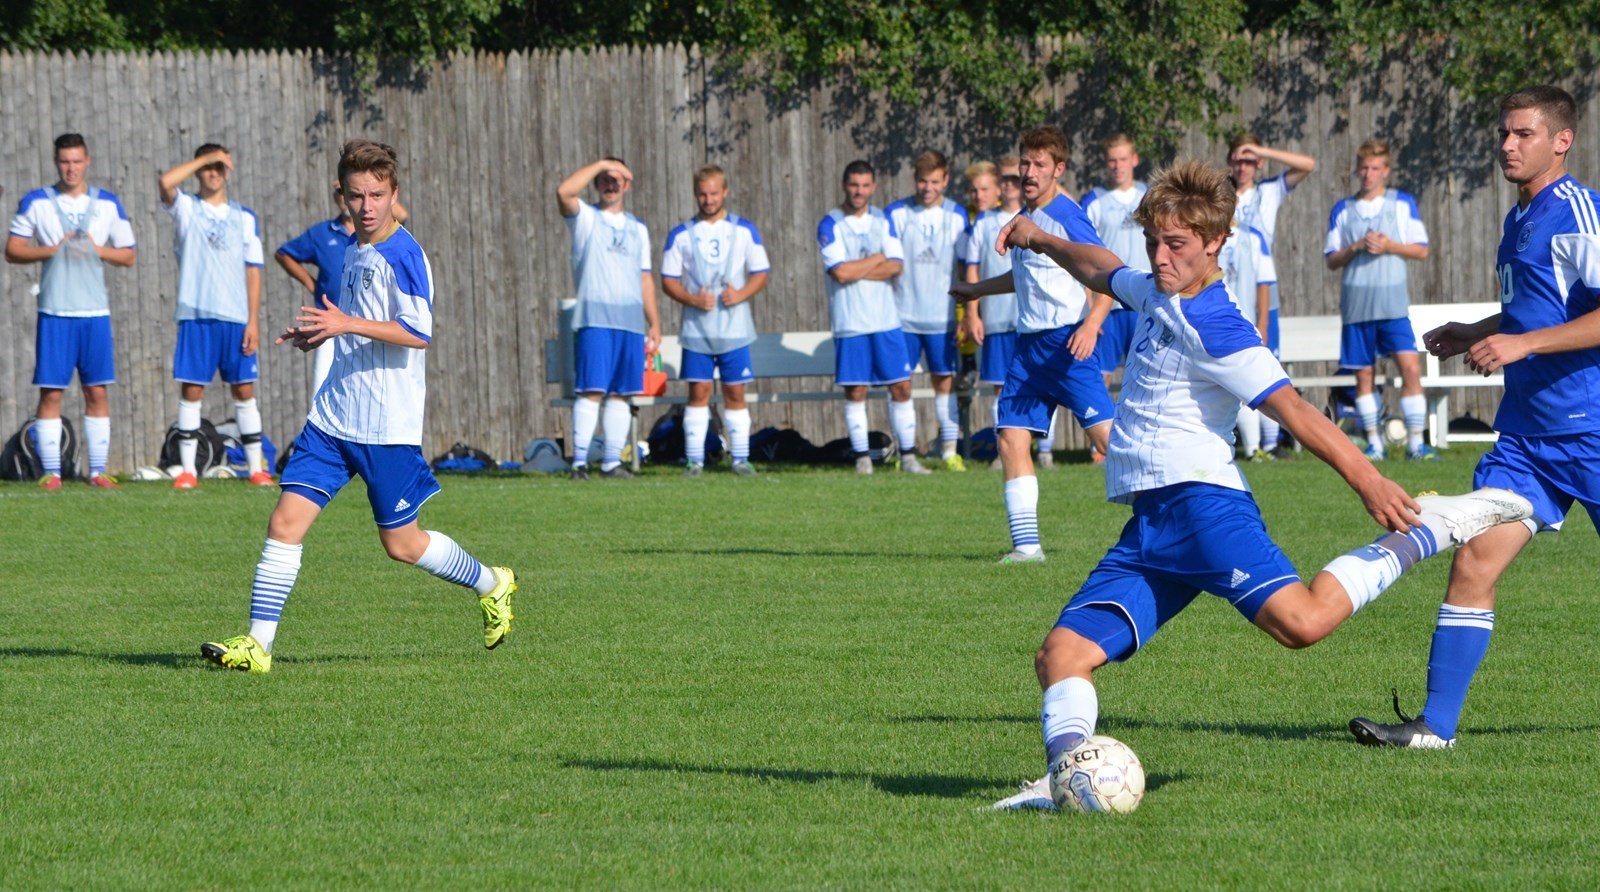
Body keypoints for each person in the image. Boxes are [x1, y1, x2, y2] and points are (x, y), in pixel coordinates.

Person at [983, 159, 1532, 809]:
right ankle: (1065, 780)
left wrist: (1370, 481)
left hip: (1204, 507)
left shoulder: (1217, 324)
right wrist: (1041, 238)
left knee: (1303, 624)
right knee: (1061, 654)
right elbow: (1102, 267)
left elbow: (1294, 410)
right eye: (1154, 242)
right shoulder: (1158, 290)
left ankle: (1430, 529)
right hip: (1153, 523)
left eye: (1176, 244)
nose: (1160, 256)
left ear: (1215, 243)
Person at [201, 140, 516, 674]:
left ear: (394, 193)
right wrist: (322, 334)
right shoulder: (353, 247)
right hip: (333, 417)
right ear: (342, 195)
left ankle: (492, 583)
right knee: (284, 522)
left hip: (385, 426)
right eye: (356, 196)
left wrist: (345, 323)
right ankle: (257, 646)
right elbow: (356, 322)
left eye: (376, 195)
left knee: (402, 544)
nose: (366, 206)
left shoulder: (404, 255)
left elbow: (418, 333)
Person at [1350, 85, 1600, 749]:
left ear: (1562, 141)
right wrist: (1480, 330)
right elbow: (1546, 308)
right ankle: (1435, 729)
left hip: (1592, 430)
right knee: (1474, 563)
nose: (1508, 145)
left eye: (1524, 134)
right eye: (1504, 133)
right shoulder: (1521, 217)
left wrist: (1521, 344)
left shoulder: (1578, 212)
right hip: (1530, 441)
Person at [951, 126, 1116, 563]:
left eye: (1039, 164)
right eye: (1024, 162)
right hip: (1028, 350)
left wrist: (1092, 324)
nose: (1028, 171)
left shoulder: (1067, 216)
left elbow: (1106, 273)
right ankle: (1026, 548)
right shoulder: (1026, 216)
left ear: (1058, 169)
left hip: (1067, 345)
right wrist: (978, 290)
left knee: (1109, 443)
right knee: (1010, 439)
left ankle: (1174, 510)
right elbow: (1025, 274)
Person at [5, 133, 135, 489]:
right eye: (64, 161)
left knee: (97, 391)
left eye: (77, 161)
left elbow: (128, 254)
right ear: (56, 162)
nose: (71, 168)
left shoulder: (107, 203)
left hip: (95, 313)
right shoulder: (37, 202)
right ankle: (52, 473)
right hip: (55, 312)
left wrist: (97, 249)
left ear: (87, 161)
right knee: (51, 392)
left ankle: (97, 472)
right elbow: (13, 250)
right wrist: (51, 249)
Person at [158, 143, 271, 488]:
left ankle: (256, 469)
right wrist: (205, 159)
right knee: (192, 390)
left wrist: (253, 321)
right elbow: (166, 183)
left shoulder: (244, 217)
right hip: (197, 315)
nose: (214, 173)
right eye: (209, 166)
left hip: (236, 319)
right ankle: (188, 471)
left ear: (228, 172)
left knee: (244, 390)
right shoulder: (187, 208)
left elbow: (254, 271)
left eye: (220, 167)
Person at [1324, 139, 1433, 461]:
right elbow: (1331, 259)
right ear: (1357, 170)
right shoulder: (1343, 209)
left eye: (1374, 168)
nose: (1368, 174)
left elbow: (1421, 250)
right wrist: (1357, 246)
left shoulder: (1402, 203)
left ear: (1385, 171)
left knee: (1410, 368)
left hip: (1393, 305)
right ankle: (1374, 443)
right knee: (1363, 375)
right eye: (1363, 168)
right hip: (1357, 306)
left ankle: (1416, 444)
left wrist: (1389, 246)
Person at [660, 165, 770, 476]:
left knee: (735, 392)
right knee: (698, 393)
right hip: (697, 331)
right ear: (695, 194)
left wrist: (742, 294)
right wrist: (692, 299)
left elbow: (761, 272)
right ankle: (694, 460)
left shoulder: (744, 230)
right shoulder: (681, 234)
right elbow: (668, 280)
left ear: (725, 192)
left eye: (714, 193)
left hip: (735, 330)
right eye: (702, 194)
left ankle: (740, 459)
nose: (708, 200)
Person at [556, 157, 661, 480]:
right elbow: (564, 192)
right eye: (605, 179)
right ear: (597, 183)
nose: (611, 185)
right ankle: (580, 463)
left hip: (630, 322)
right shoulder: (587, 218)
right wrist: (602, 164)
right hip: (596, 318)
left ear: (627, 184)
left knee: (621, 393)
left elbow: (645, 278)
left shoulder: (638, 229)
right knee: (591, 389)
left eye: (617, 179)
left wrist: (654, 322)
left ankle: (612, 463)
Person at [818, 159, 922, 475]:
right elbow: (839, 273)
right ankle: (862, 459)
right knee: (856, 390)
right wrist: (877, 258)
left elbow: (896, 265)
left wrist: (857, 268)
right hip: (850, 322)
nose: (859, 191)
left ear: (873, 187)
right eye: (854, 185)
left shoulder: (883, 219)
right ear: (844, 185)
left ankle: (908, 457)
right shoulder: (830, 224)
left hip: (886, 320)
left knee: (901, 387)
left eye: (865, 185)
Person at [1229, 133, 1317, 459]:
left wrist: (1260, 149)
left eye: (1249, 160)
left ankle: (1270, 444)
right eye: (1238, 159)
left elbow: (1308, 164)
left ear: (1259, 163)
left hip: (1263, 287)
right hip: (1231, 288)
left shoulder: (1268, 191)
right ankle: (1253, 445)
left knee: (1267, 367)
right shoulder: (1221, 194)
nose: (1243, 166)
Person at [275, 181, 408, 395]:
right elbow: (283, 254)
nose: (346, 196)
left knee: (368, 393)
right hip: (330, 325)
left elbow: (401, 215)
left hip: (368, 325)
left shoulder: (378, 231)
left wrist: (371, 190)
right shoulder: (322, 233)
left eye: (354, 192)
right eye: (342, 191)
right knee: (321, 390)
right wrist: (311, 284)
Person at [887, 151, 969, 469]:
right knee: (900, 384)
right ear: (914, 180)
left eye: (935, 181)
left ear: (945, 180)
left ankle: (949, 451)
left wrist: (966, 314)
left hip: (942, 318)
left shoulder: (957, 216)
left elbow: (966, 268)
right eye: (923, 181)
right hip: (902, 318)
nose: (928, 188)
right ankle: (904, 452)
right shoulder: (896, 214)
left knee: (944, 383)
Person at [960, 155, 1023, 461]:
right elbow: (972, 270)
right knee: (1000, 387)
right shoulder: (983, 223)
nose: (1009, 186)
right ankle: (1004, 453)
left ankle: (1045, 452)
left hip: (1032, 319)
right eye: (1005, 180)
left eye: (1014, 180)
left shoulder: (1036, 217)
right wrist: (973, 314)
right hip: (996, 318)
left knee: (1038, 384)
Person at [1082, 135, 1151, 408]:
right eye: (1112, 160)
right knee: (1099, 377)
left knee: (1147, 374)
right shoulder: (1094, 201)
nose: (1117, 166)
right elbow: (1084, 257)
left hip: (1144, 302)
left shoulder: (1150, 195)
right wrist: (1090, 309)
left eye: (1123, 159)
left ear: (1134, 160)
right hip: (1107, 305)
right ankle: (1099, 435)